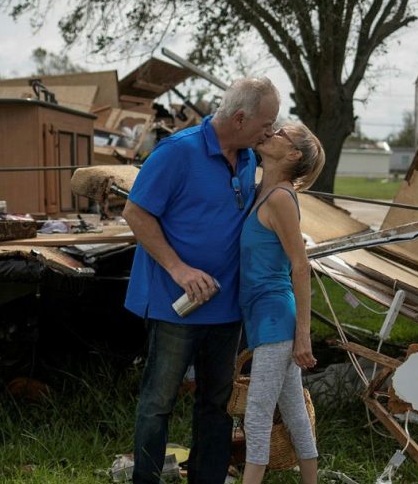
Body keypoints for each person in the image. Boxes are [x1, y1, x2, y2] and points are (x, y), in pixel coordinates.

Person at [123, 77, 280, 484]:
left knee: (216, 403)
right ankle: (146, 479)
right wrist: (179, 269)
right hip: (175, 304)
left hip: (227, 307)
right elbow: (136, 214)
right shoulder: (177, 152)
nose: (271, 131)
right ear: (240, 117)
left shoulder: (247, 158)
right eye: (267, 123)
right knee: (159, 402)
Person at [239, 121, 325, 484]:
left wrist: (302, 335)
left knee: (256, 413)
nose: (270, 133)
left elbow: (301, 266)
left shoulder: (279, 198)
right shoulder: (264, 189)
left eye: (279, 133)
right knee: (294, 411)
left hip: (276, 318)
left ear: (292, 154)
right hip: (262, 317)